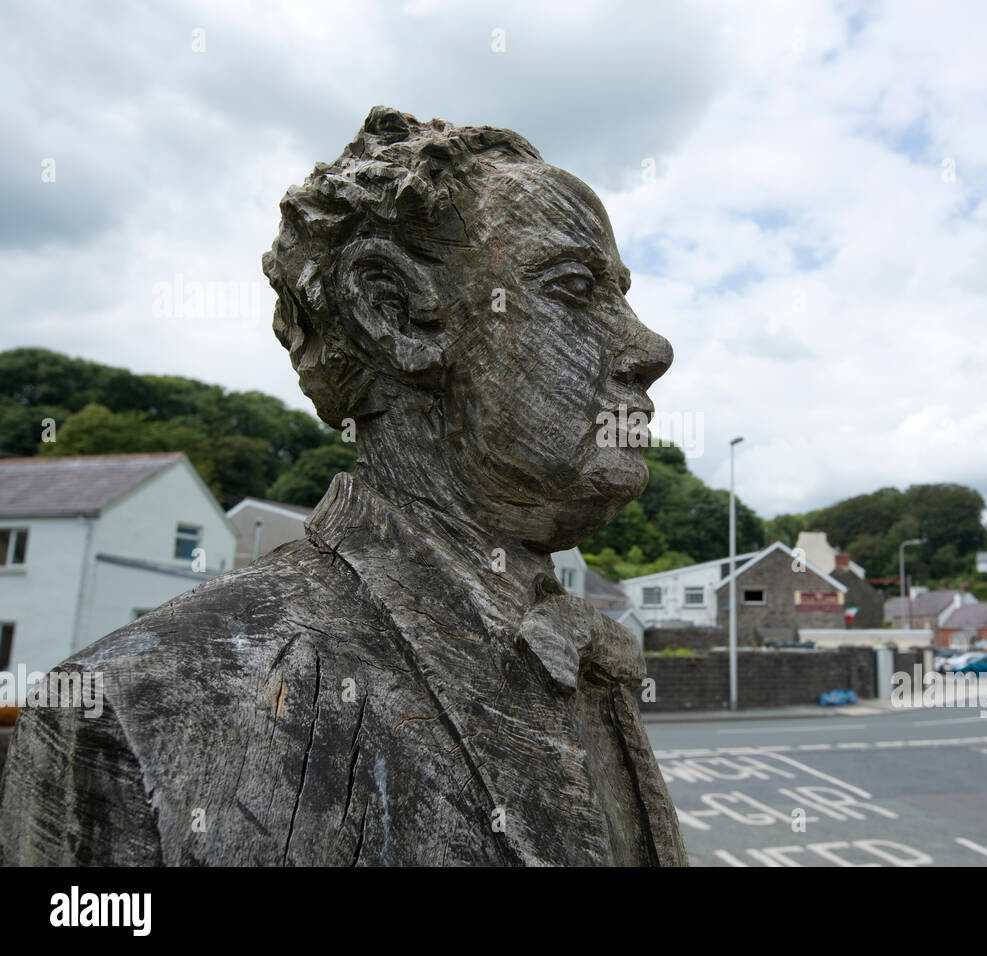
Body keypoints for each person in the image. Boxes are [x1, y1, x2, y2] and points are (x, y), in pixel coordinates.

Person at [0, 107, 686, 866]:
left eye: (620, 293)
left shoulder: (591, 659)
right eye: (574, 288)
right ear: (391, 310)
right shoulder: (136, 704)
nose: (650, 347)